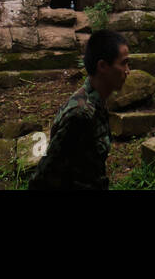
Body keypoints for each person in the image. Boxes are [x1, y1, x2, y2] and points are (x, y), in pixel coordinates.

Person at [27, 29, 129, 190]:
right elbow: (43, 177)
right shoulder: (81, 114)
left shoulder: (98, 101)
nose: (127, 70)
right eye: (123, 63)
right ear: (102, 66)